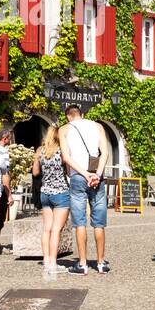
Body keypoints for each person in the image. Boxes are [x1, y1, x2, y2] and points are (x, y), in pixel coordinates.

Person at [58, 104, 112, 275]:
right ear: (82, 114)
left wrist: (84, 174)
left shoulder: (64, 129)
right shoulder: (98, 126)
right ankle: (101, 263)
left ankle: (82, 264)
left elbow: (66, 158)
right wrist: (97, 174)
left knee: (80, 222)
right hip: (97, 177)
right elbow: (105, 153)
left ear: (68, 116)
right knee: (99, 222)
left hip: (78, 177)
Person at [31, 125, 71, 279]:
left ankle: (46, 260)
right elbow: (69, 172)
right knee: (56, 230)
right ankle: (53, 263)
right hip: (60, 193)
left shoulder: (40, 151)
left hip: (45, 193)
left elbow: (35, 172)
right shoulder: (62, 151)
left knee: (46, 229)